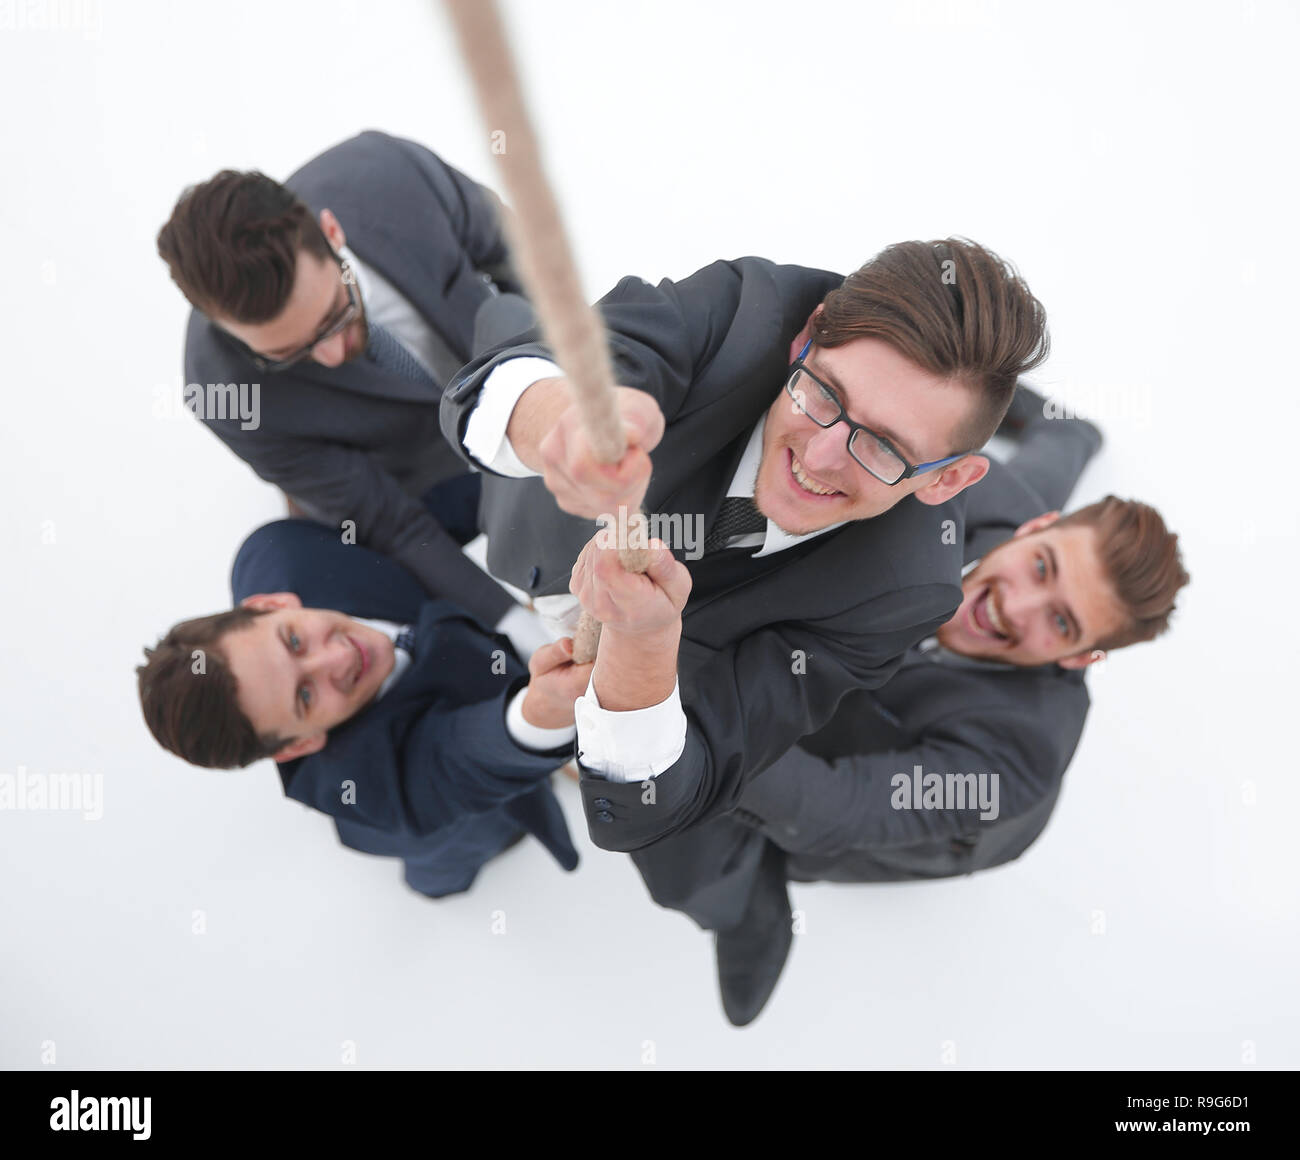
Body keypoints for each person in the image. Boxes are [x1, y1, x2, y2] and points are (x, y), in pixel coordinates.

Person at [572, 388, 1189, 1024]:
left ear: (1081, 658)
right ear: (1034, 527)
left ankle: (747, 915)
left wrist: (652, 702)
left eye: (1061, 623)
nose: (1016, 605)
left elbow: (832, 807)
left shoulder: (1016, 759)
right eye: (1040, 566)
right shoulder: (972, 490)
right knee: (1053, 454)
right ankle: (1076, 435)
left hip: (947, 809)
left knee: (715, 833)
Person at [441, 239, 1051, 845]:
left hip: (636, 667)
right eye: (825, 393)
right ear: (806, 334)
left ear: (946, 481)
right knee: (504, 322)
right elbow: (499, 385)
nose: (820, 455)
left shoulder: (902, 591)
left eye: (884, 448)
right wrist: (563, 422)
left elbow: (654, 804)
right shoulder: (746, 311)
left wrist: (642, 650)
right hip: (526, 529)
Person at [156, 130, 530, 633]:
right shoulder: (221, 390)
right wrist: (514, 626)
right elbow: (391, 523)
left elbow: (522, 257)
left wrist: (554, 386)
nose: (332, 355)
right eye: (288, 354)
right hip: (437, 486)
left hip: (530, 380)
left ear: (332, 232)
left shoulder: (389, 176)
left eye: (334, 314)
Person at [135, 517, 593, 899]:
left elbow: (404, 523)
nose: (340, 658)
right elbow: (458, 760)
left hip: (482, 660)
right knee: (455, 850)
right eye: (305, 695)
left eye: (294, 640)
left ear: (271, 604)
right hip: (436, 817)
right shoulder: (378, 785)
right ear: (300, 745)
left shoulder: (279, 552)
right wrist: (540, 713)